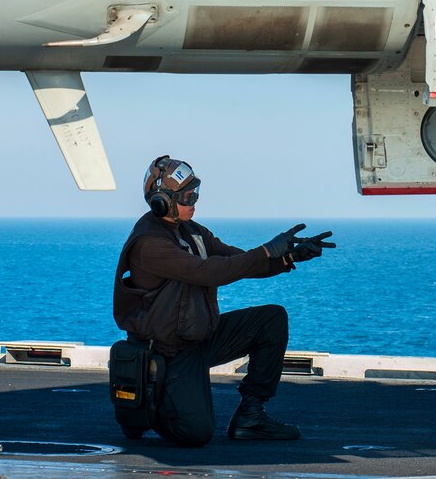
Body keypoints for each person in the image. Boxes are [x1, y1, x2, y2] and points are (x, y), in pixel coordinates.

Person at [113, 155, 335, 446]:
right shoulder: (150, 244)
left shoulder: (192, 231)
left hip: (200, 338)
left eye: (196, 193)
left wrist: (287, 258)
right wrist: (266, 251)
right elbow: (209, 273)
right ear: (161, 201)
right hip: (168, 352)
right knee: (195, 434)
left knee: (271, 319)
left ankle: (251, 416)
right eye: (188, 196)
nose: (195, 200)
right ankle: (144, 409)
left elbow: (237, 260)